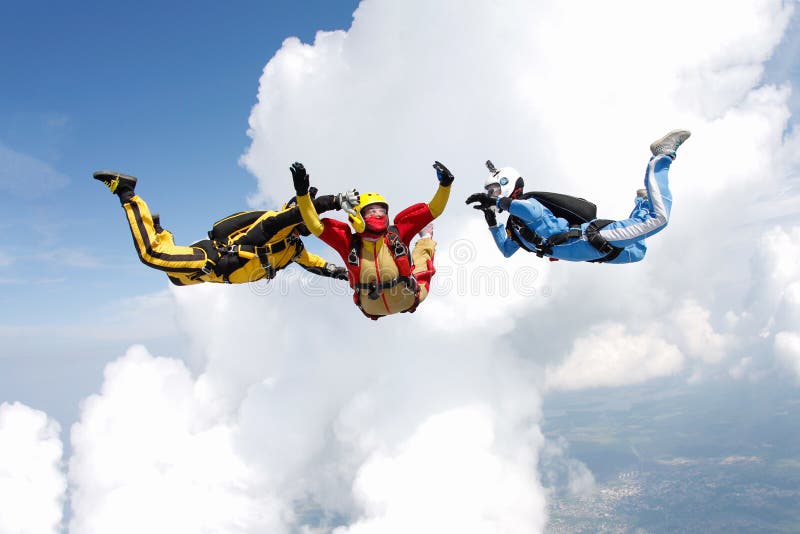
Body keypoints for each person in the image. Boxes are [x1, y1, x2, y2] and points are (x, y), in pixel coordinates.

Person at [466, 129, 690, 263]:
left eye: (494, 190)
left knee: (658, 219)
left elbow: (525, 210)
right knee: (638, 252)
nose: (491, 195)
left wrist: (497, 202)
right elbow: (506, 250)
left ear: (508, 185)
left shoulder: (527, 206)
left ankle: (661, 157)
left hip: (593, 237)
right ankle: (642, 201)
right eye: (489, 192)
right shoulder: (514, 226)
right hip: (595, 253)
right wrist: (492, 220)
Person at [93, 169, 351, 285]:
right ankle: (126, 191)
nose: (310, 227)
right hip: (211, 260)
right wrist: (333, 202)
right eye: (306, 220)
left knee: (174, 278)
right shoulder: (276, 223)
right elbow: (289, 218)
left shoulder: (293, 247)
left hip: (213, 275)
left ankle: (161, 231)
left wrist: (346, 273)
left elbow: (317, 265)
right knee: (152, 254)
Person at [289, 161, 454, 320]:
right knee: (422, 262)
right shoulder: (349, 243)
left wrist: (445, 186)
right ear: (358, 216)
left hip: (407, 298)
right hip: (378, 305)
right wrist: (302, 193)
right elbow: (314, 224)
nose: (378, 214)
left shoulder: (395, 234)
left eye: (382, 210)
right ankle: (425, 237)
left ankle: (426, 238)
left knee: (422, 261)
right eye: (371, 211)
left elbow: (433, 209)